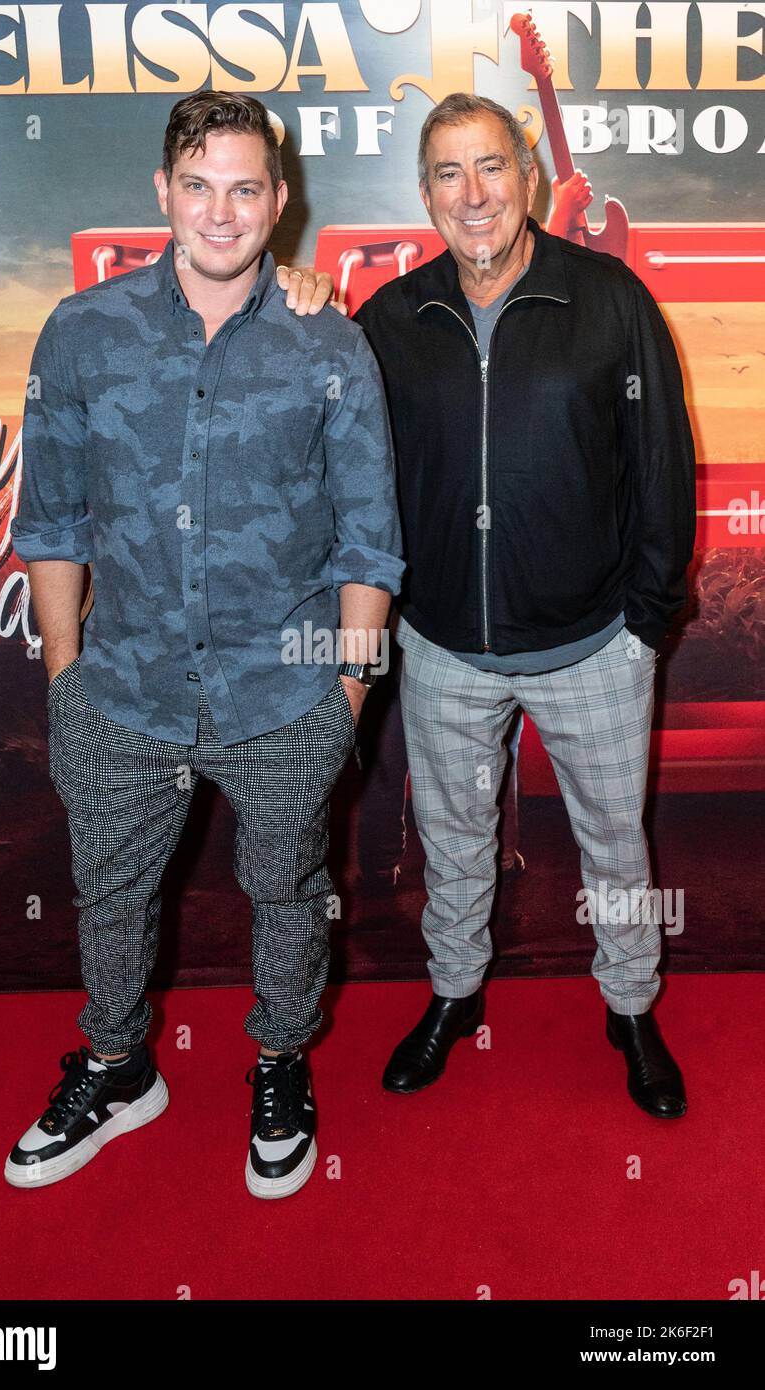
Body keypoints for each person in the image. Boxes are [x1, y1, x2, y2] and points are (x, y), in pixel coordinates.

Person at [6, 91, 404, 1198]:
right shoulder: (82, 330)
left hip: (286, 694)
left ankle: (279, 1061)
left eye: (244, 189)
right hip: (119, 690)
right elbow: (50, 522)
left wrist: (347, 702)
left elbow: (370, 538)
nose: (220, 213)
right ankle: (120, 1066)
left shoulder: (330, 339)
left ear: (280, 202)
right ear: (161, 193)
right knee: (110, 896)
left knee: (287, 892)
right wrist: (63, 679)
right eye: (198, 186)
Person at [342, 92, 695, 1113]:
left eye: (489, 166)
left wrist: (643, 623)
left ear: (528, 177)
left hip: (592, 645)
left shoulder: (608, 299)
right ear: (423, 194)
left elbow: (660, 465)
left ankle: (629, 1005)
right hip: (444, 647)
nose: (472, 193)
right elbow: (331, 443)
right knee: (454, 840)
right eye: (447, 173)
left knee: (614, 844)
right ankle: (453, 994)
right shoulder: (390, 321)